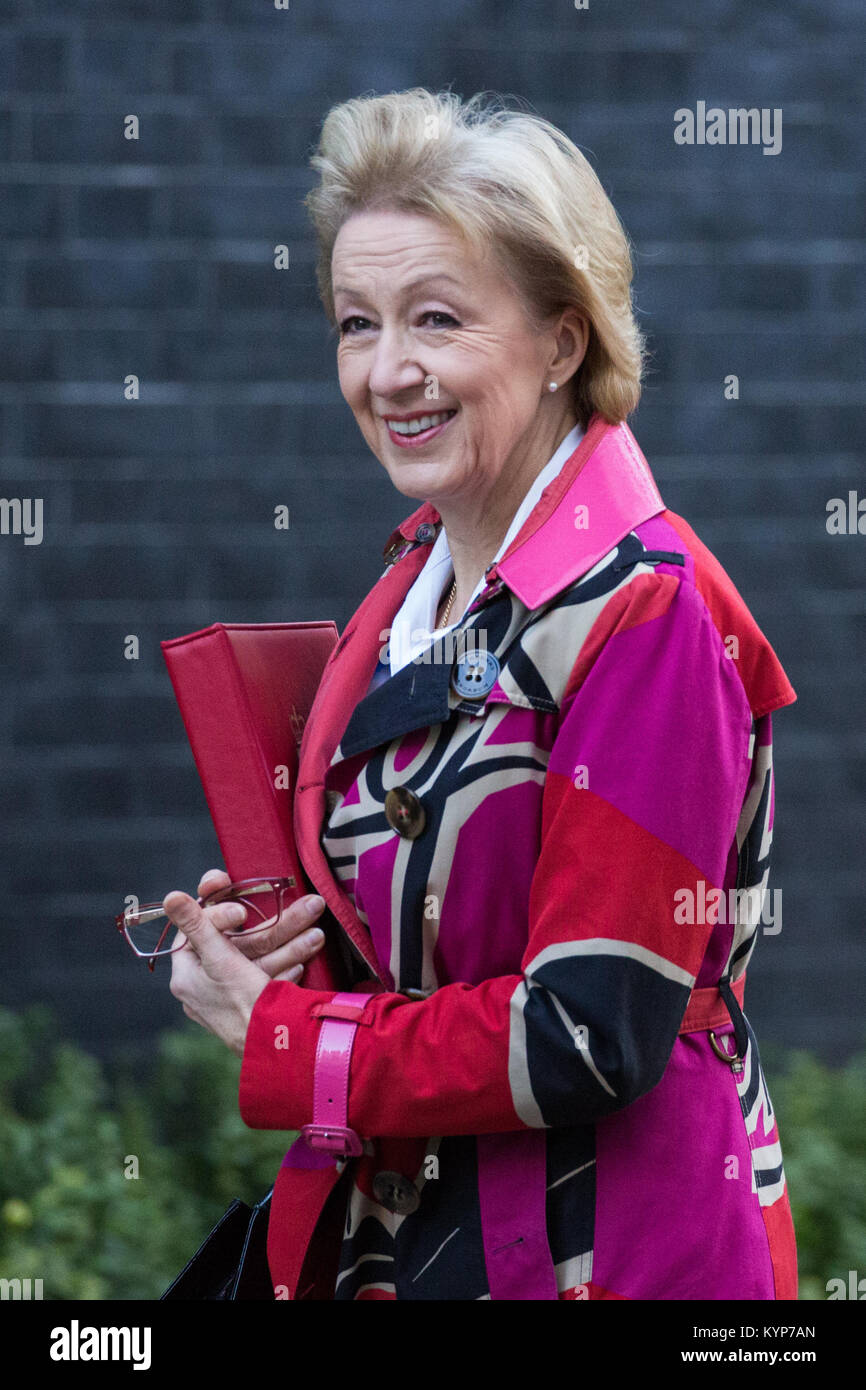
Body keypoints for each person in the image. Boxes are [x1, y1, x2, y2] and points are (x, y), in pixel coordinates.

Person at [163, 88, 798, 1301]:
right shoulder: (411, 586)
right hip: (413, 1241)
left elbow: (586, 1031)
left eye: (438, 319)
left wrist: (290, 1041)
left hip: (609, 1249)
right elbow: (429, 946)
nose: (388, 371)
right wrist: (279, 951)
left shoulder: (647, 610)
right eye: (357, 323)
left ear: (564, 341)